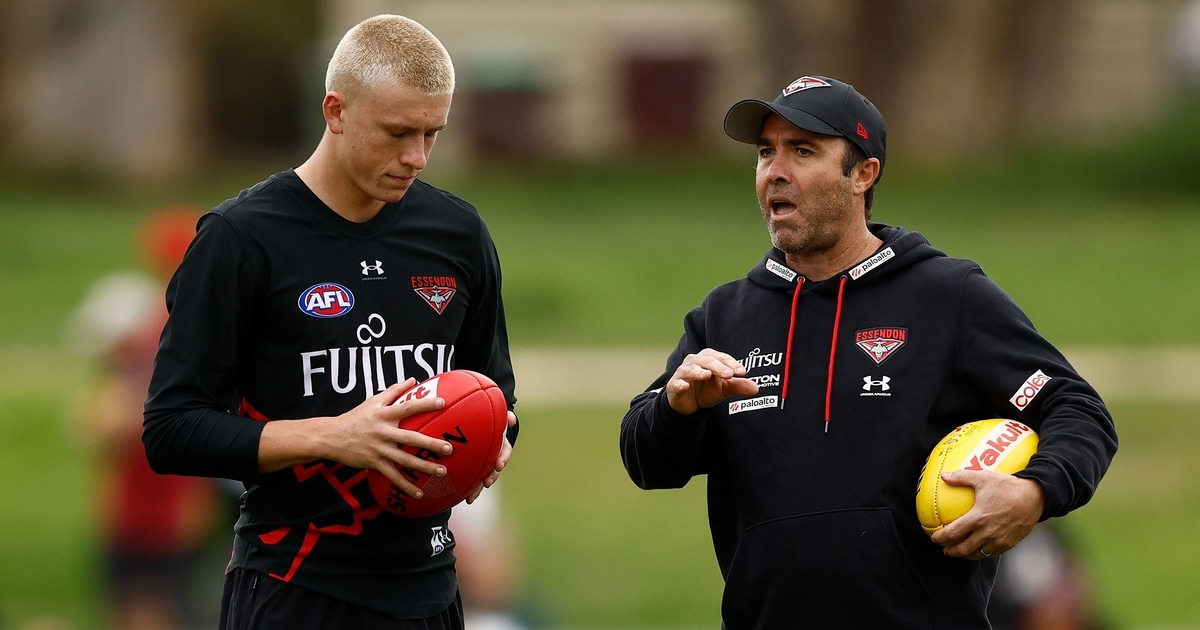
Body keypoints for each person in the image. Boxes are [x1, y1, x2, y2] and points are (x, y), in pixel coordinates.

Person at [619, 75, 1118, 628]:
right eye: (766, 152)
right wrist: (677, 408)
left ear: (863, 174)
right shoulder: (725, 316)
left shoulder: (945, 296)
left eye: (803, 151)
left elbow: (1076, 409)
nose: (775, 172)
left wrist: (1034, 492)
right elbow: (647, 461)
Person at [142, 15, 518, 630]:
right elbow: (171, 429)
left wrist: (492, 443)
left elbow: (496, 394)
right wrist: (334, 436)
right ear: (335, 110)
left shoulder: (458, 233)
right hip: (295, 587)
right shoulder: (241, 238)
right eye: (397, 132)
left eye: (432, 133)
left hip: (429, 593)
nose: (416, 157)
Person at [66, 207, 220, 630]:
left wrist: (117, 419)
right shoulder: (159, 325)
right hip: (136, 507)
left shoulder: (173, 325)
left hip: (169, 508)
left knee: (155, 609)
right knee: (135, 606)